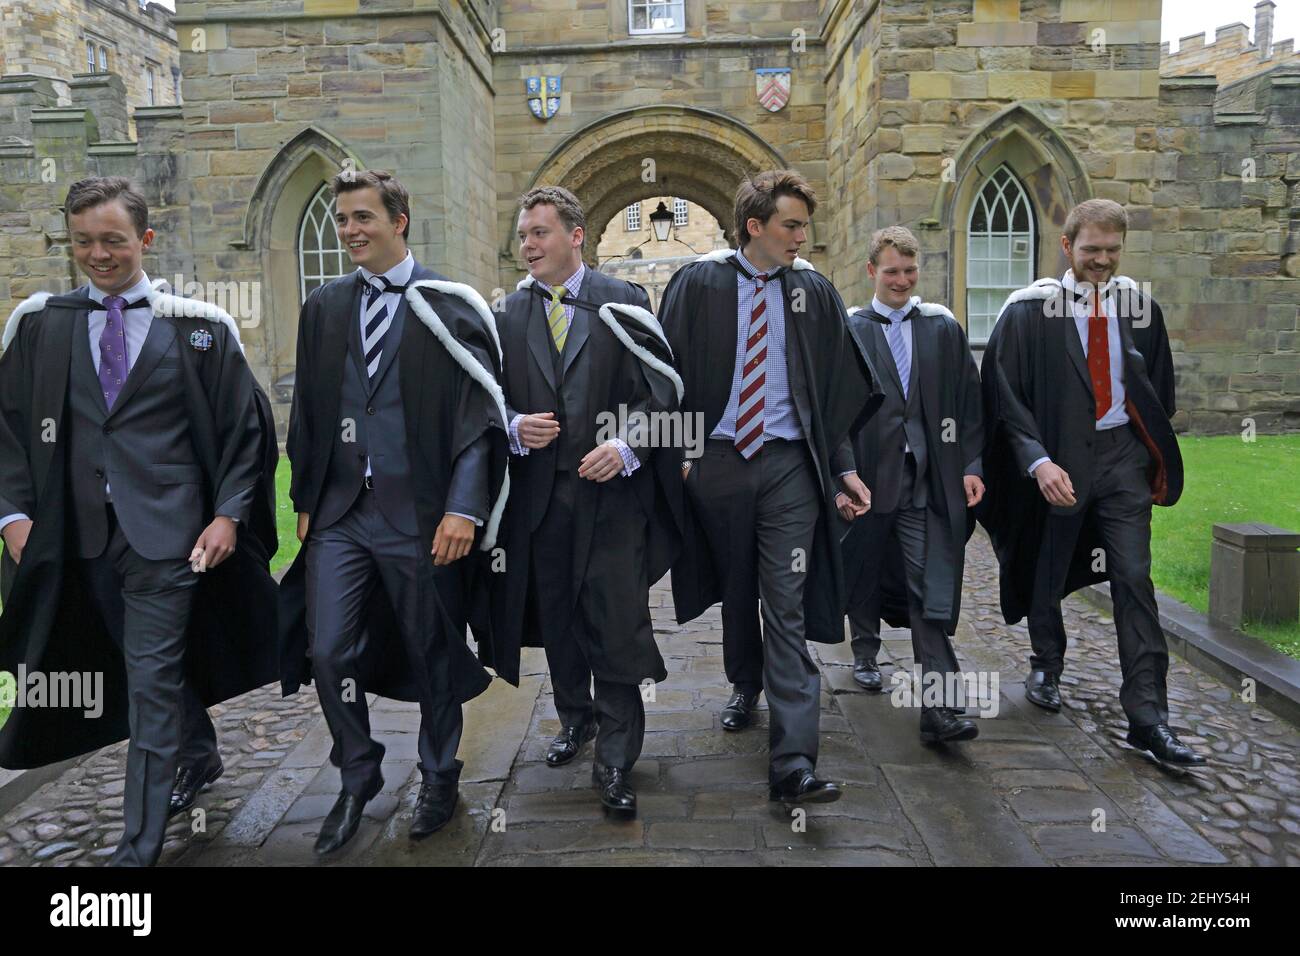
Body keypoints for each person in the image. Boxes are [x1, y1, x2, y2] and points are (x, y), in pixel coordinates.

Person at [0, 176, 279, 866]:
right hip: (72, 539)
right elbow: (5, 427)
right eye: (84, 241)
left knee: (149, 680)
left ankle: (140, 842)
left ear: (144, 240)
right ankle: (200, 751)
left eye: (113, 240)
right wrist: (11, 515)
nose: (98, 254)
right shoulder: (40, 326)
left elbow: (246, 432)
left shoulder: (197, 329)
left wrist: (227, 515)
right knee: (128, 664)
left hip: (169, 538)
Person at [280, 170, 508, 854]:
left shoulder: (449, 304)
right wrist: (304, 501)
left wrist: (464, 508)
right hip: (344, 512)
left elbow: (480, 417)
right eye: (342, 219)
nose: (350, 230)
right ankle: (358, 773)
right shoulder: (324, 308)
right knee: (327, 648)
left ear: (398, 220)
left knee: (432, 648)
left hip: (422, 512)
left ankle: (440, 773)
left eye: (362, 218)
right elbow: (311, 411)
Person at [659, 169, 880, 804]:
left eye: (804, 225)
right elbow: (665, 374)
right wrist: (680, 456)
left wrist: (842, 468)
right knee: (735, 585)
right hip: (719, 462)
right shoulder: (698, 283)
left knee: (784, 605)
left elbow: (831, 395)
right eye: (791, 225)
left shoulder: (813, 291)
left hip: (789, 468)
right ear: (754, 226)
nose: (801, 237)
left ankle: (793, 763)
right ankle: (742, 681)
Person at [980, 198, 1203, 766]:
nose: (1101, 261)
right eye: (1091, 251)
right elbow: (1004, 401)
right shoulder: (1029, 313)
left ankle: (1149, 718)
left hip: (1122, 460)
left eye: (1111, 251)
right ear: (1067, 247)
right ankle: (1046, 664)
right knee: (1048, 565)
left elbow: (1159, 393)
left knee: (1133, 576)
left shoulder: (1139, 309)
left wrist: (1140, 447)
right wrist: (1037, 461)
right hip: (1059, 462)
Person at [485, 186, 683, 819]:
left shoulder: (624, 301)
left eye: (540, 233)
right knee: (559, 621)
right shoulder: (509, 314)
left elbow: (667, 396)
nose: (528, 246)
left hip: (614, 502)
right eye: (522, 235)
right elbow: (484, 401)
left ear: (576, 235)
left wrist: (628, 446)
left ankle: (617, 758)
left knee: (616, 624)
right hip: (540, 503)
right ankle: (576, 719)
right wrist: (515, 426)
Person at [840, 226, 984, 743]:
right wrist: (843, 475)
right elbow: (837, 410)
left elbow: (969, 403)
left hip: (926, 480)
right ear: (872, 272)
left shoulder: (940, 329)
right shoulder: (850, 329)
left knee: (929, 589)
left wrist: (972, 465)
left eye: (909, 271)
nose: (901, 280)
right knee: (865, 568)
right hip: (868, 478)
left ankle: (940, 709)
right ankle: (864, 651)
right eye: (891, 271)